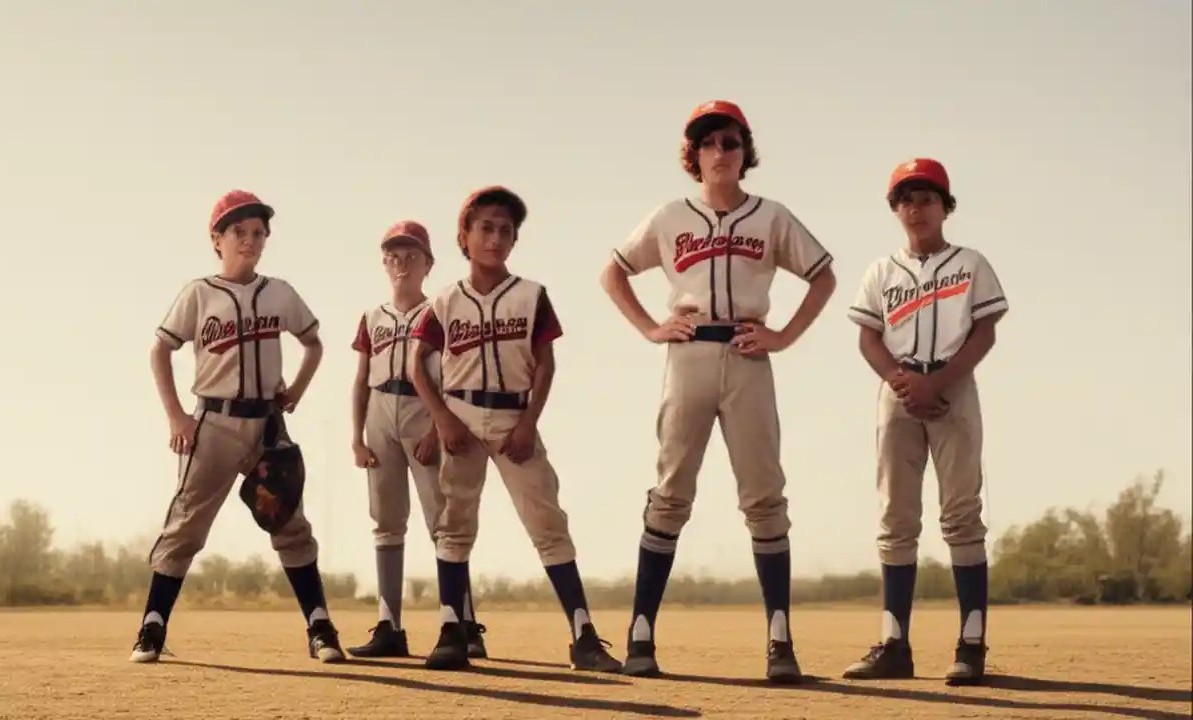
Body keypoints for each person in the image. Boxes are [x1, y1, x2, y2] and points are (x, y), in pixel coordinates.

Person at [600, 100, 836, 682]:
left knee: (764, 496)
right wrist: (650, 328)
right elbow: (613, 272)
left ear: (744, 151)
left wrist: (784, 336)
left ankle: (780, 641)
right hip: (689, 354)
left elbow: (823, 275)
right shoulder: (669, 217)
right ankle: (640, 635)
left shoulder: (770, 216)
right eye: (708, 143)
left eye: (730, 141)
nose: (720, 151)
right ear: (694, 155)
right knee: (671, 491)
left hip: (748, 353)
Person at [408, 186, 622, 673]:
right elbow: (418, 365)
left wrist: (529, 422)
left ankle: (584, 637)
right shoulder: (445, 300)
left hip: (512, 418)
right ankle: (451, 631)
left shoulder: (530, 295)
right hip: (462, 415)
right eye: (485, 228)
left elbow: (546, 363)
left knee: (547, 523)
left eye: (505, 230)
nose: (495, 238)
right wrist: (442, 418)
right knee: (455, 524)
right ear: (464, 235)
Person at [131, 190, 344, 664]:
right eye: (238, 232)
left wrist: (297, 390)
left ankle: (319, 627)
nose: (250, 240)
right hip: (214, 422)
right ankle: (152, 626)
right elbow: (160, 349)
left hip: (267, 424)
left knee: (290, 524)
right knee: (187, 526)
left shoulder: (279, 292)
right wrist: (176, 415)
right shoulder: (199, 293)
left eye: (258, 233)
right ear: (217, 240)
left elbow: (313, 343)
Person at [842, 158, 1007, 686]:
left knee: (961, 515)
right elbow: (868, 337)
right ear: (896, 209)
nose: (917, 209)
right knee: (896, 518)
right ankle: (894, 645)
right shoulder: (881, 271)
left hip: (953, 387)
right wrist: (902, 381)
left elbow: (985, 330)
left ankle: (971, 645)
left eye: (927, 199)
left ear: (945, 206)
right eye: (907, 200)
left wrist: (941, 381)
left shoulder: (970, 263)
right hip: (899, 392)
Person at [346, 220, 488, 659]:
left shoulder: (440, 312)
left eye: (411, 256)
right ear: (384, 263)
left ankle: (464, 624)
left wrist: (435, 428)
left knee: (443, 523)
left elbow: (453, 376)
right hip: (379, 410)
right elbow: (360, 379)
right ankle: (389, 625)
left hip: (423, 410)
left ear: (428, 263)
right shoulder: (373, 317)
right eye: (394, 256)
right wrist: (357, 436)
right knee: (386, 520)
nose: (402, 264)